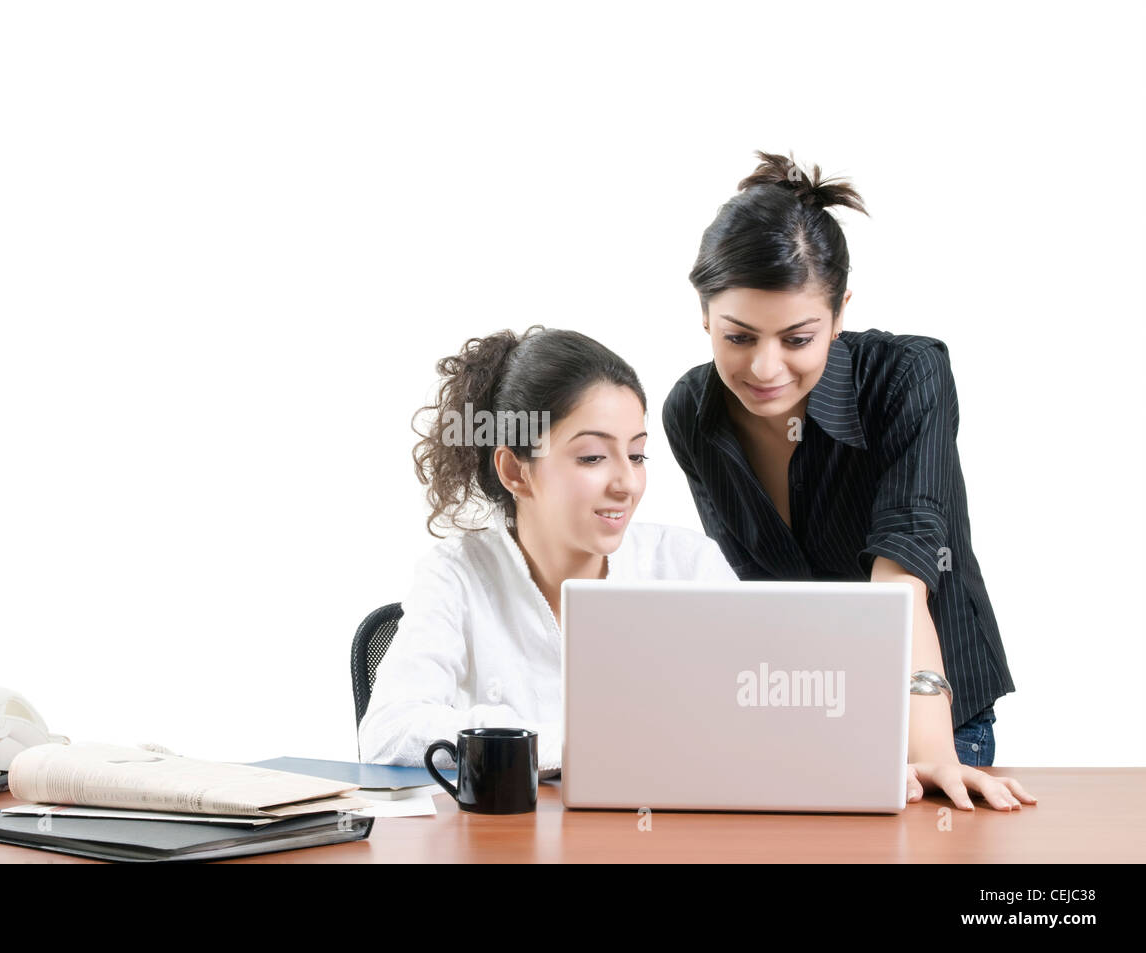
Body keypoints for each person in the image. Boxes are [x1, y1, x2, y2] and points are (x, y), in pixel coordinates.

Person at [662, 149, 1036, 812]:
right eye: (738, 336)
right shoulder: (691, 413)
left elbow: (903, 582)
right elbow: (757, 592)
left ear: (838, 315)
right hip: (810, 709)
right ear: (704, 315)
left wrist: (924, 751)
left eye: (798, 338)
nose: (765, 367)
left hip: (933, 713)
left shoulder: (907, 377)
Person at [358, 327, 739, 778]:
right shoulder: (457, 575)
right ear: (516, 471)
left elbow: (756, 716)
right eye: (593, 457)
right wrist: (558, 746)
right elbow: (388, 733)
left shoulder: (685, 564)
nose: (626, 484)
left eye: (636, 456)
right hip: (510, 845)